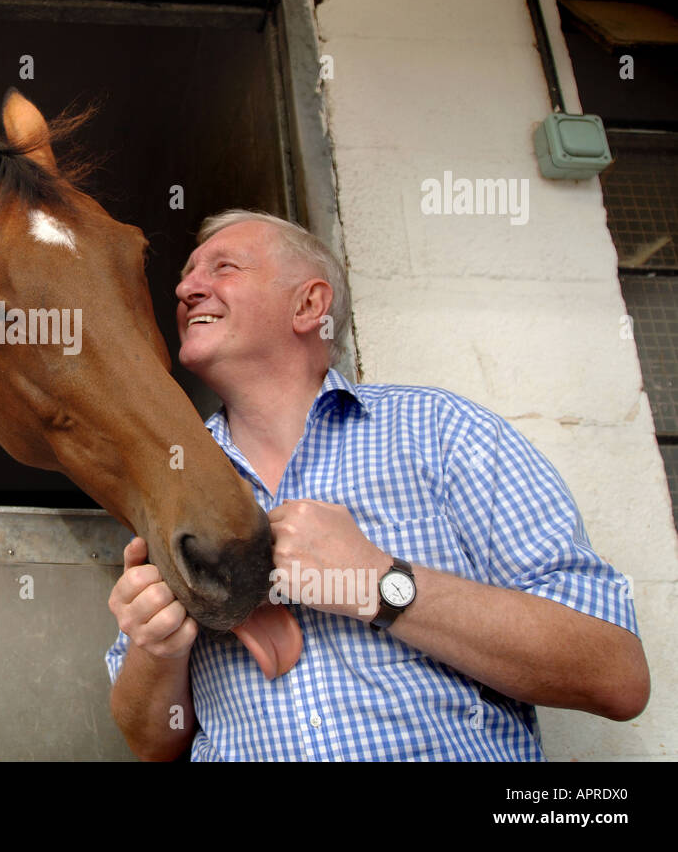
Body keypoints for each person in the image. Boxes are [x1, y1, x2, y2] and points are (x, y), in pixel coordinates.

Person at [105, 209, 650, 761]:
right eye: (188, 273)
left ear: (308, 306)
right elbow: (152, 744)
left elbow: (614, 673)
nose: (185, 288)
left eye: (223, 268)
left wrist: (381, 584)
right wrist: (156, 650)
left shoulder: (442, 433)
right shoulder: (167, 480)